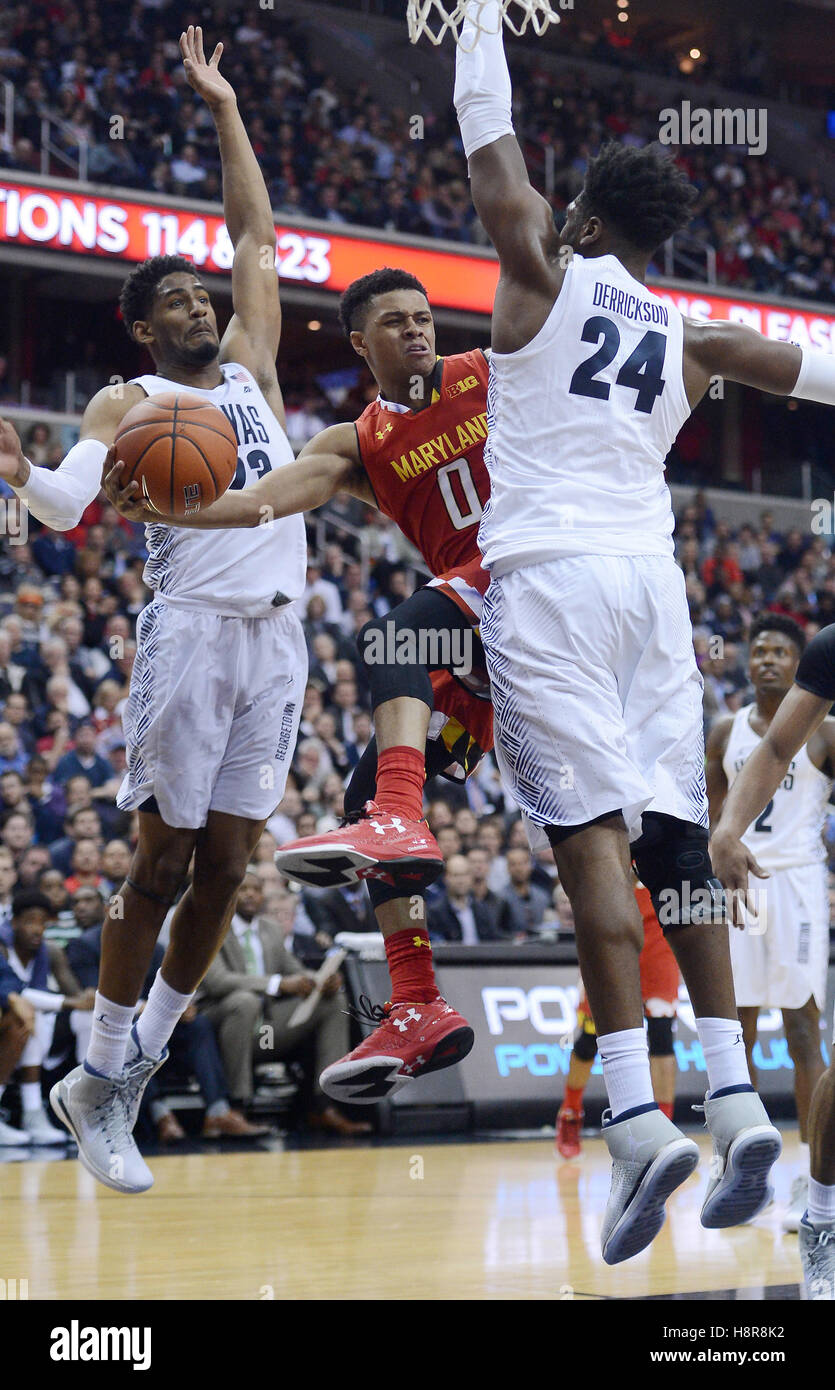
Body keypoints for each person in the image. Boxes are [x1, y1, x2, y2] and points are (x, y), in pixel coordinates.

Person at [445, 0, 835, 1261]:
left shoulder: (542, 273)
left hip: (550, 579)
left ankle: (634, 1115)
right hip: (652, 595)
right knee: (678, 844)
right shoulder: (690, 335)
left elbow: (489, 153)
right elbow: (807, 364)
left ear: (586, 223)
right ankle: (729, 1093)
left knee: (590, 846)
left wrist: (479, 22)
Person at [0, 27, 307, 1194]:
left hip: (277, 635)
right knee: (161, 863)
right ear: (144, 327)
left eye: (199, 292)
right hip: (188, 634)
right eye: (174, 298)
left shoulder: (252, 371)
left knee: (229, 868)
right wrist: (24, 474)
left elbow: (255, 235)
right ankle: (100, 1064)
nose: (197, 299)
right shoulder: (129, 399)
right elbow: (77, 507)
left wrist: (224, 106)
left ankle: (121, 1075)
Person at [108, 264, 500, 1102]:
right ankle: (417, 1001)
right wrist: (167, 508)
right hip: (481, 642)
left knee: (395, 639)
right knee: (366, 794)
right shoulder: (355, 443)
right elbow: (259, 502)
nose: (419, 332)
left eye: (425, 318)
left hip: (534, 593)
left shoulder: (491, 373)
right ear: (360, 345)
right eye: (396, 322)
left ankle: (705, 1077)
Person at [712, 619, 835, 1299]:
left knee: (800, 1027)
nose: (764, 659)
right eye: (756, 649)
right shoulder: (733, 729)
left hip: (797, 884)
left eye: (775, 651)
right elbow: (771, 751)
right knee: (744, 1024)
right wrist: (724, 830)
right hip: (753, 876)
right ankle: (756, 1170)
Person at [198, 872, 371, 1135]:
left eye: (255, 889)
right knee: (244, 1001)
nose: (249, 894)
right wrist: (278, 984)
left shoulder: (271, 929)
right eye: (242, 889)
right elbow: (218, 982)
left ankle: (322, 1104)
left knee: (333, 1001)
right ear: (231, 893)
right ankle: (236, 1108)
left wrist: (320, 980)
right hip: (221, 1022)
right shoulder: (212, 927)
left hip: (266, 1025)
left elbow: (294, 968)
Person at [556, 884, 680, 1159]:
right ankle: (570, 1112)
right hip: (613, 917)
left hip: (658, 924)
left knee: (662, 1037)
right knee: (591, 1038)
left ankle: (665, 1134)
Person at [1, 889, 95, 1143]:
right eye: (31, 921)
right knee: (23, 1019)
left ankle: (51, 1111)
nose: (37, 929)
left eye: (43, 923)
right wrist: (71, 1002)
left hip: (32, 1023)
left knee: (35, 1021)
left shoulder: (47, 950)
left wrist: (85, 997)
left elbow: (70, 993)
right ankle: (32, 1112)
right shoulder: (2, 945)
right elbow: (14, 991)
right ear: (15, 922)